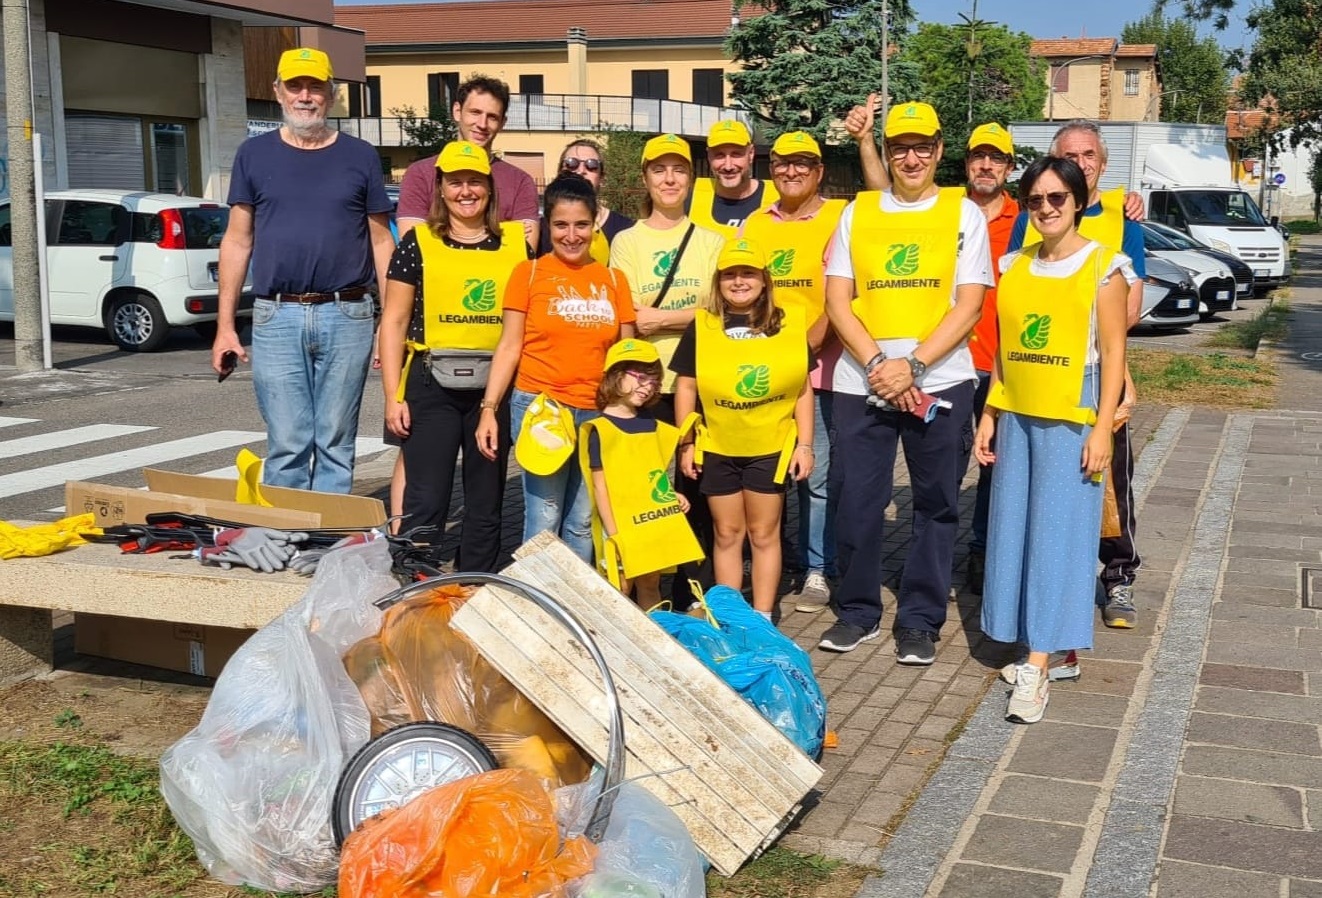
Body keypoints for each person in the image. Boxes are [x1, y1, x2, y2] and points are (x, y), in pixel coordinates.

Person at [821, 102, 992, 662]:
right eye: (899, 147)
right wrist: (877, 366)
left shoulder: (963, 212)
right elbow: (837, 300)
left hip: (939, 379)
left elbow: (969, 306)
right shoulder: (859, 212)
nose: (911, 157)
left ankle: (919, 620)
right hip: (861, 380)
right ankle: (858, 611)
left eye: (922, 147)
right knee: (858, 501)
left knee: (936, 503)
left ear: (940, 150)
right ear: (887, 152)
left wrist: (912, 366)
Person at [974, 155, 1131, 724]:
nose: (1045, 209)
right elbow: (1004, 354)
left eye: (1056, 198)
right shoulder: (1014, 264)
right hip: (1017, 415)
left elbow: (1114, 354)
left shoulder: (1104, 268)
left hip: (1072, 417)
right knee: (1014, 530)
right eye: (1036, 200)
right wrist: (990, 414)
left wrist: (1102, 429)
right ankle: (1038, 645)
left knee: (1059, 537)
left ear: (1079, 200)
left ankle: (1038, 663)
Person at [211, 47, 394, 494]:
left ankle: (323, 536)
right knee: (288, 441)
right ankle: (284, 535)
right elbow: (237, 240)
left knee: (335, 439)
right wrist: (224, 327)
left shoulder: (360, 156)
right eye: (296, 86)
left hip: (347, 312)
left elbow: (381, 241)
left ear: (331, 96)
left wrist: (390, 325)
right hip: (276, 316)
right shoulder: (253, 155)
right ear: (278, 92)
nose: (305, 96)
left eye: (315, 87)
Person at [1007, 120, 1146, 632]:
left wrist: (1102, 352)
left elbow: (1130, 304)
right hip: (1040, 373)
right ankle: (1040, 587)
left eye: (1089, 155)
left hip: (1096, 369)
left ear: (1102, 165)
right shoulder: (1038, 212)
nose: (1082, 162)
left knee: (1110, 479)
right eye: (1071, 153)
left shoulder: (1122, 214)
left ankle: (1118, 576)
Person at [378, 141, 529, 570]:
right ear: (440, 188)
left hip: (493, 389)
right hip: (430, 385)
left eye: (475, 181)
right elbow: (393, 322)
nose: (467, 191)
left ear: (490, 187)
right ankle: (414, 578)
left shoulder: (518, 246)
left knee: (485, 500)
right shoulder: (417, 243)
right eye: (456, 181)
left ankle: (475, 584)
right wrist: (393, 395)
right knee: (427, 496)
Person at [477, 174, 637, 563]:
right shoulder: (528, 274)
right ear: (547, 224)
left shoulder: (613, 280)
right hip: (541, 408)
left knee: (582, 520)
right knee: (544, 517)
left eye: (581, 224)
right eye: (561, 225)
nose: (571, 235)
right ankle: (536, 605)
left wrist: (626, 415)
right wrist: (488, 408)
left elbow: (626, 356)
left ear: (595, 221)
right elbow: (510, 345)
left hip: (596, 412)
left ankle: (572, 611)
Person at [609, 134, 725, 604]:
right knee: (651, 499)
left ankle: (695, 592)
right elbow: (626, 318)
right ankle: (651, 596)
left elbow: (720, 311)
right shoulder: (626, 241)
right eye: (659, 170)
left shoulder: (713, 241)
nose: (669, 178)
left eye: (678, 169)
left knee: (697, 493)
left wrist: (662, 318)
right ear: (645, 180)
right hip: (646, 390)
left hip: (699, 386)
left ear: (692, 179)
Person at [672, 237, 814, 621]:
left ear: (765, 280)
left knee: (764, 534)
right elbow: (686, 385)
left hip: (770, 447)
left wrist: (806, 445)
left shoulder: (786, 325)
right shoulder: (703, 326)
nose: (738, 281)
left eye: (748, 273)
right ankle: (731, 615)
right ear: (718, 282)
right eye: (729, 274)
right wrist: (684, 442)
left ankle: (763, 615)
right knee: (726, 534)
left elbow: (803, 389)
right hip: (718, 446)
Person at [739, 131, 847, 612]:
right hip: (766, 374)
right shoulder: (755, 225)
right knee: (767, 475)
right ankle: (769, 562)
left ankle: (818, 569)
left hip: (820, 371)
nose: (792, 171)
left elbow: (849, 291)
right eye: (783, 162)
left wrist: (810, 342)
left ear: (819, 170)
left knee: (815, 476)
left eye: (804, 163)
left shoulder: (840, 218)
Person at [581, 339, 702, 607]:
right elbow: (600, 487)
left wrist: (671, 496)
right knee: (620, 587)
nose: (647, 387)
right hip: (620, 525)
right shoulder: (599, 429)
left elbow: (654, 474)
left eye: (654, 380)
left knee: (651, 583)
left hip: (649, 521)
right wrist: (614, 534)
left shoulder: (652, 424)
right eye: (639, 378)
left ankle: (653, 635)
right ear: (615, 375)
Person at [396, 76, 540, 248]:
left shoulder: (520, 181)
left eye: (492, 117)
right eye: (475, 112)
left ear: (502, 123)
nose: (482, 124)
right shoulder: (420, 173)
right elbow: (414, 245)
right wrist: (504, 233)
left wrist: (438, 234)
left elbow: (524, 249)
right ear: (457, 111)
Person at [539, 139, 634, 263]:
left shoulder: (625, 229)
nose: (581, 170)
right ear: (559, 172)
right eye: (571, 163)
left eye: (592, 165)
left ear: (602, 178)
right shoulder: (539, 230)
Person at [687, 120, 779, 239]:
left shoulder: (778, 199)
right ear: (709, 156)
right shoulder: (691, 201)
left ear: (751, 154)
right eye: (719, 155)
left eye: (736, 154)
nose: (728, 166)